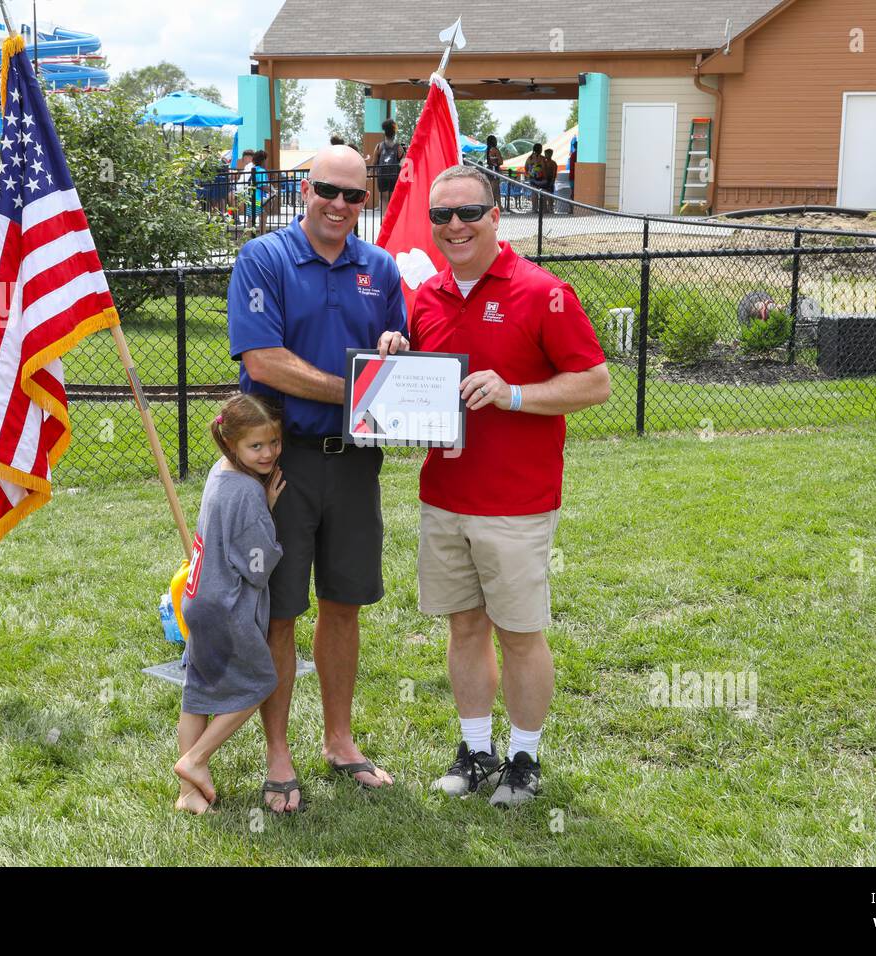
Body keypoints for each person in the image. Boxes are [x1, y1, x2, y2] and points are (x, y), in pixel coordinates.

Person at [404, 164, 610, 807]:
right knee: (464, 628)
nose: (455, 226)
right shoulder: (428, 296)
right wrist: (394, 356)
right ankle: (476, 748)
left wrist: (514, 393)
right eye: (442, 216)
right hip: (445, 495)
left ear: (497, 216)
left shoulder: (543, 291)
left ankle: (524, 757)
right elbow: (420, 391)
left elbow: (595, 382)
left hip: (516, 502)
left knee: (520, 634)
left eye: (469, 212)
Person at [228, 145, 408, 812]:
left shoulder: (381, 269)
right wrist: (356, 390)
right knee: (279, 611)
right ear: (305, 189)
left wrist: (397, 350)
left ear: (367, 200)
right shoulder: (266, 259)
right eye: (328, 191)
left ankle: (339, 739)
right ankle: (279, 752)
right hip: (284, 463)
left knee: (344, 603)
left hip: (357, 463)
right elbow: (265, 361)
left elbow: (403, 352)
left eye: (354, 196)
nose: (339, 205)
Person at [174, 393, 287, 814]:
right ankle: (195, 760)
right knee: (259, 683)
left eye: (273, 443)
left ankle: (189, 795)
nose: (268, 454)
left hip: (198, 600)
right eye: (255, 446)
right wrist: (269, 511)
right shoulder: (247, 493)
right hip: (228, 607)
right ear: (232, 444)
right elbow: (257, 565)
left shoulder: (218, 473)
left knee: (198, 692)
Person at [374, 118, 405, 208]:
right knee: (393, 200)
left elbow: (374, 162)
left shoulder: (379, 146)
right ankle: (391, 220)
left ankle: (384, 219)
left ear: (385, 132)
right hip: (394, 176)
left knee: (384, 199)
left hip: (382, 176)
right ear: (394, 133)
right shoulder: (399, 147)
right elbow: (404, 163)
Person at [484, 134, 503, 206]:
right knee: (495, 189)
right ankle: (497, 206)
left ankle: (496, 205)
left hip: (490, 170)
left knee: (492, 189)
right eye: (495, 140)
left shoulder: (488, 149)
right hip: (494, 170)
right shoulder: (494, 149)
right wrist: (499, 159)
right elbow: (501, 161)